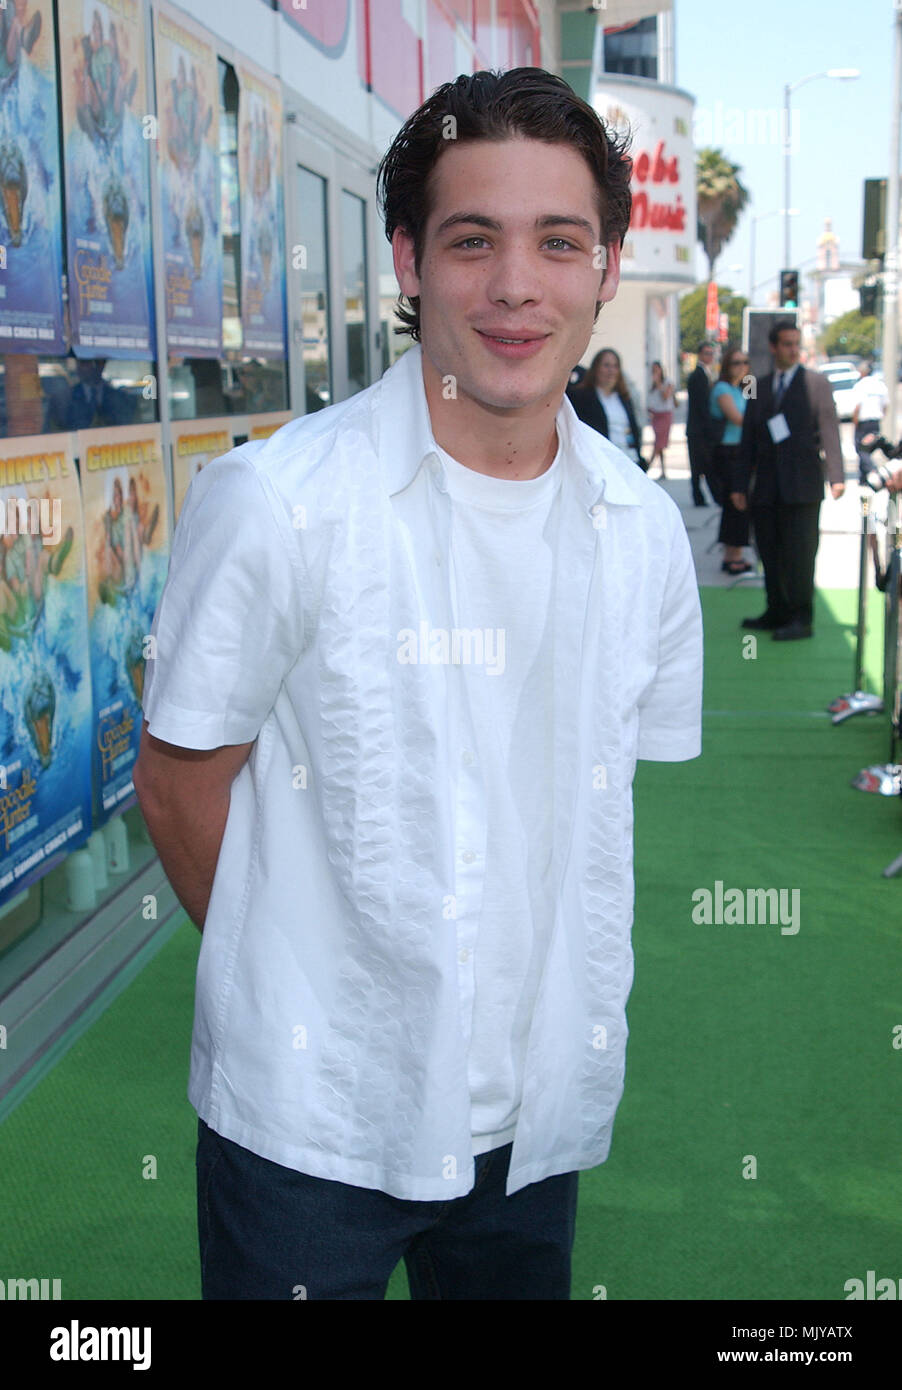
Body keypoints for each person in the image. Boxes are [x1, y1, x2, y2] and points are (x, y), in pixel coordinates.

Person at [134, 67, 702, 1302]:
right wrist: (312, 986)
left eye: (558, 242)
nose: (515, 285)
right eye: (470, 240)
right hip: (307, 1123)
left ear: (604, 267)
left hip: (532, 1125)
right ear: (405, 260)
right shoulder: (278, 506)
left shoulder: (641, 532)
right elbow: (179, 787)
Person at [733, 319, 844, 640]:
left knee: (800, 554)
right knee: (769, 551)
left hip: (803, 486)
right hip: (766, 488)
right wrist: (740, 485)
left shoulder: (816, 384)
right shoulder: (759, 385)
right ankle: (776, 610)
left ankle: (800, 617)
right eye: (786, 344)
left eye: (796, 344)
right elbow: (748, 439)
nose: (793, 350)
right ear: (773, 347)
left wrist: (836, 476)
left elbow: (829, 430)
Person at [708, 345, 752, 574]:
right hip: (727, 453)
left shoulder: (745, 386)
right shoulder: (722, 388)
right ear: (727, 365)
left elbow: (757, 408)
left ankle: (736, 553)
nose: (742, 367)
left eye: (745, 362)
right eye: (736, 362)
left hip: (743, 452)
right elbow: (738, 418)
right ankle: (730, 555)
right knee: (734, 502)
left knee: (742, 504)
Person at [566, 347, 647, 469]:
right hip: (602, 463)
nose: (611, 370)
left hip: (629, 460)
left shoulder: (624, 398)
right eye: (606, 365)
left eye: (615, 366)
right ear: (596, 368)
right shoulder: (583, 398)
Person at [686, 341, 718, 506]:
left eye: (711, 353)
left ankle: (700, 496)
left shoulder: (705, 374)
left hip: (698, 428)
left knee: (699, 465)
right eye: (706, 353)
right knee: (700, 465)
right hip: (698, 429)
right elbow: (702, 405)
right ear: (700, 355)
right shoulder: (698, 376)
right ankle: (700, 497)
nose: (709, 356)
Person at [849, 360, 888, 484]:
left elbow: (857, 407)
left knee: (861, 449)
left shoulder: (860, 385)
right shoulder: (879, 385)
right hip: (876, 421)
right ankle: (863, 477)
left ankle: (873, 471)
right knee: (870, 448)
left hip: (863, 422)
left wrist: (855, 422)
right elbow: (886, 405)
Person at [646, 360, 673, 477]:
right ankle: (663, 470)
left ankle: (647, 466)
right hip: (656, 416)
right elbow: (651, 400)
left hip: (665, 415)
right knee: (659, 442)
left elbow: (665, 396)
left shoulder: (668, 382)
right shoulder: (651, 384)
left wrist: (658, 384)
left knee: (659, 443)